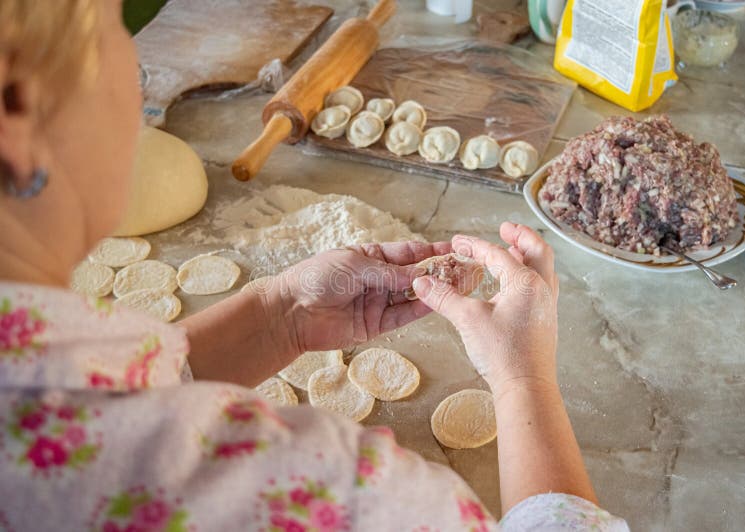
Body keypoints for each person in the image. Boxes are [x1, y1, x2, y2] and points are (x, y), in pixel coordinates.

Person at [0, 1, 629, 530]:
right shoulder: (330, 491)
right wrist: (525, 380)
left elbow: (106, 398)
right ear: (18, 110)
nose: (137, 79)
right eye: (118, 31)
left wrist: (284, 317)